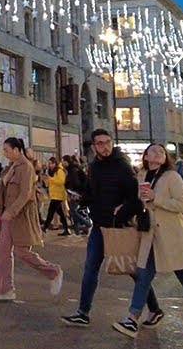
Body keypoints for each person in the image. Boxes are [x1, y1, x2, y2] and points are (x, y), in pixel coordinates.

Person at [61, 129, 162, 328]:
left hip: (117, 226)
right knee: (91, 268)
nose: (105, 147)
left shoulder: (122, 165)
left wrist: (122, 212)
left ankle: (155, 308)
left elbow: (135, 198)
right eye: (100, 143)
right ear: (93, 147)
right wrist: (82, 198)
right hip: (99, 226)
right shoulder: (94, 167)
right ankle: (83, 312)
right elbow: (93, 192)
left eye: (107, 142)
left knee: (130, 268)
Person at [113, 143, 183, 340]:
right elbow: (139, 202)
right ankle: (132, 318)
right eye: (154, 150)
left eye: (162, 151)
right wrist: (126, 208)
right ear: (145, 156)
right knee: (143, 275)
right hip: (150, 234)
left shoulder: (172, 176)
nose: (158, 153)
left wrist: (156, 197)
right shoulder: (142, 175)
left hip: (172, 235)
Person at [0, 137, 62, 300]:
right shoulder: (10, 168)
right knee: (3, 252)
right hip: (7, 215)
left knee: (21, 252)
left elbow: (25, 194)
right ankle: (4, 289)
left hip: (20, 216)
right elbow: (7, 189)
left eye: (6, 150)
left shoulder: (26, 168)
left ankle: (53, 271)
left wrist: (11, 211)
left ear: (16, 150)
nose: (4, 153)